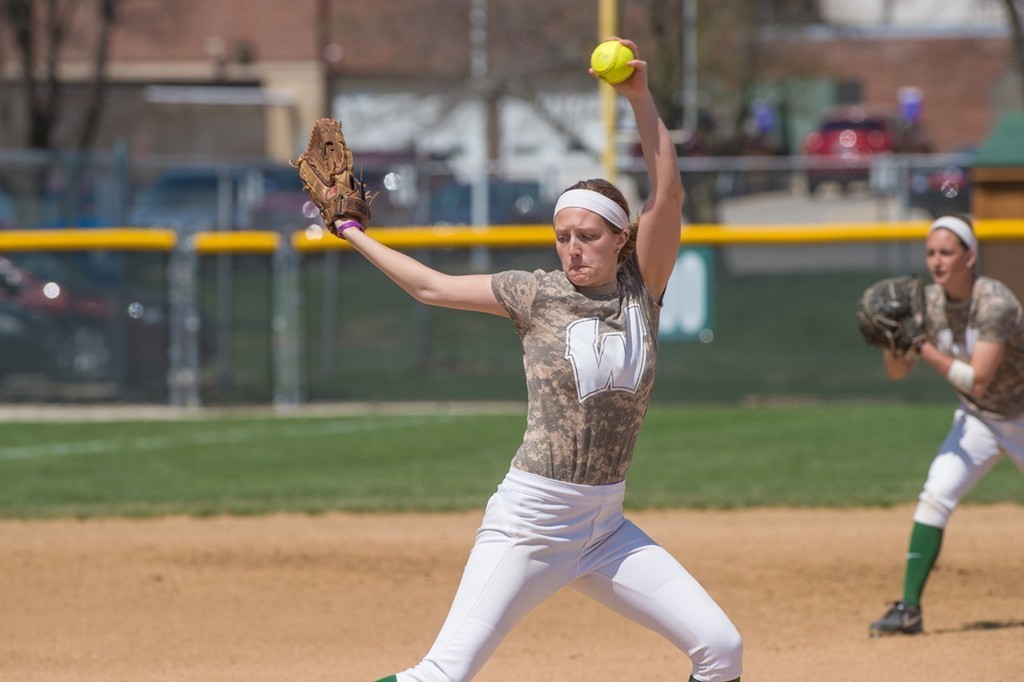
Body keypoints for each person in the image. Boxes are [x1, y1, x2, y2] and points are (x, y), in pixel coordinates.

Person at [337, 37, 742, 682]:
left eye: (588, 236)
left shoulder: (644, 288)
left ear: (621, 240)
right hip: (529, 523)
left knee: (721, 649)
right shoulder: (535, 292)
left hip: (605, 528)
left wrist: (639, 99)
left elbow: (667, 194)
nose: (573, 249)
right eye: (563, 236)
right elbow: (431, 287)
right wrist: (353, 233)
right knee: (443, 674)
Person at [869, 214, 1024, 637]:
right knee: (935, 497)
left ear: (970, 257)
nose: (937, 262)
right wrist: (894, 341)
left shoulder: (995, 303)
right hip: (980, 419)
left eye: (947, 252)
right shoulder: (930, 304)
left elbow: (979, 377)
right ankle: (909, 610)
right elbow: (898, 372)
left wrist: (920, 344)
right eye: (931, 253)